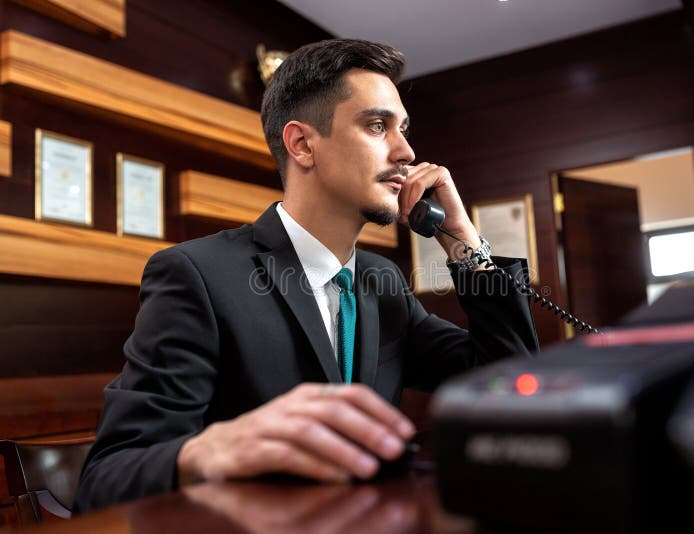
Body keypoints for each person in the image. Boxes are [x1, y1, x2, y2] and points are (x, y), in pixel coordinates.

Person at [75, 38, 538, 511]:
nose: (407, 151)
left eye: (404, 128)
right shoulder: (197, 275)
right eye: (378, 125)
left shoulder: (383, 282)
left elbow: (508, 382)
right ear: (302, 144)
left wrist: (465, 245)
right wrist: (211, 450)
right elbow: (104, 481)